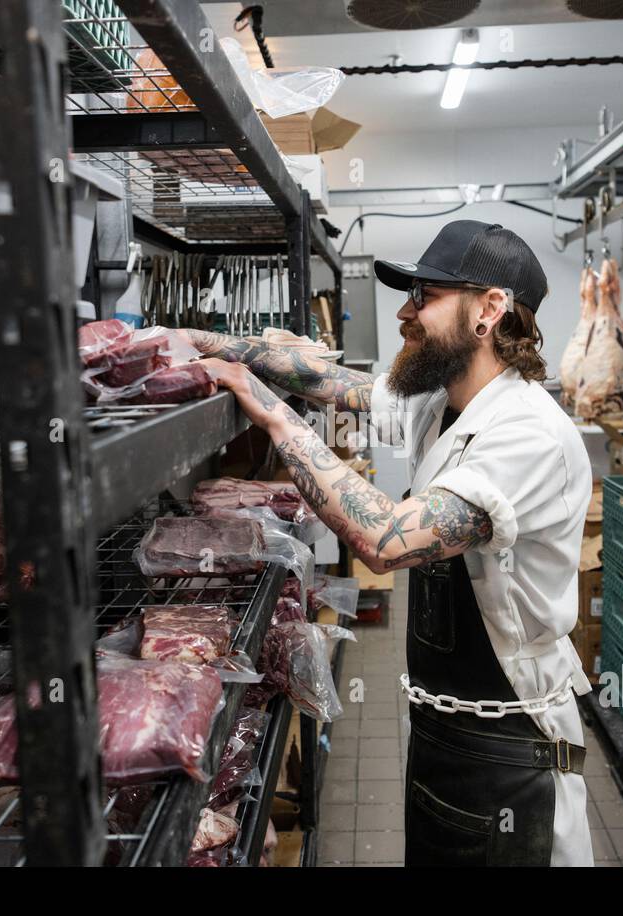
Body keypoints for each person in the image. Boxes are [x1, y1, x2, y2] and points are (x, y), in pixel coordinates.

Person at [185, 220, 595, 866]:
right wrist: (201, 344)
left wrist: (271, 415)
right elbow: (333, 383)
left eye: (424, 296)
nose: (405, 312)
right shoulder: (443, 403)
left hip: (510, 749)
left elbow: (385, 538)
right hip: (440, 732)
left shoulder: (529, 434)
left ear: (489, 309)